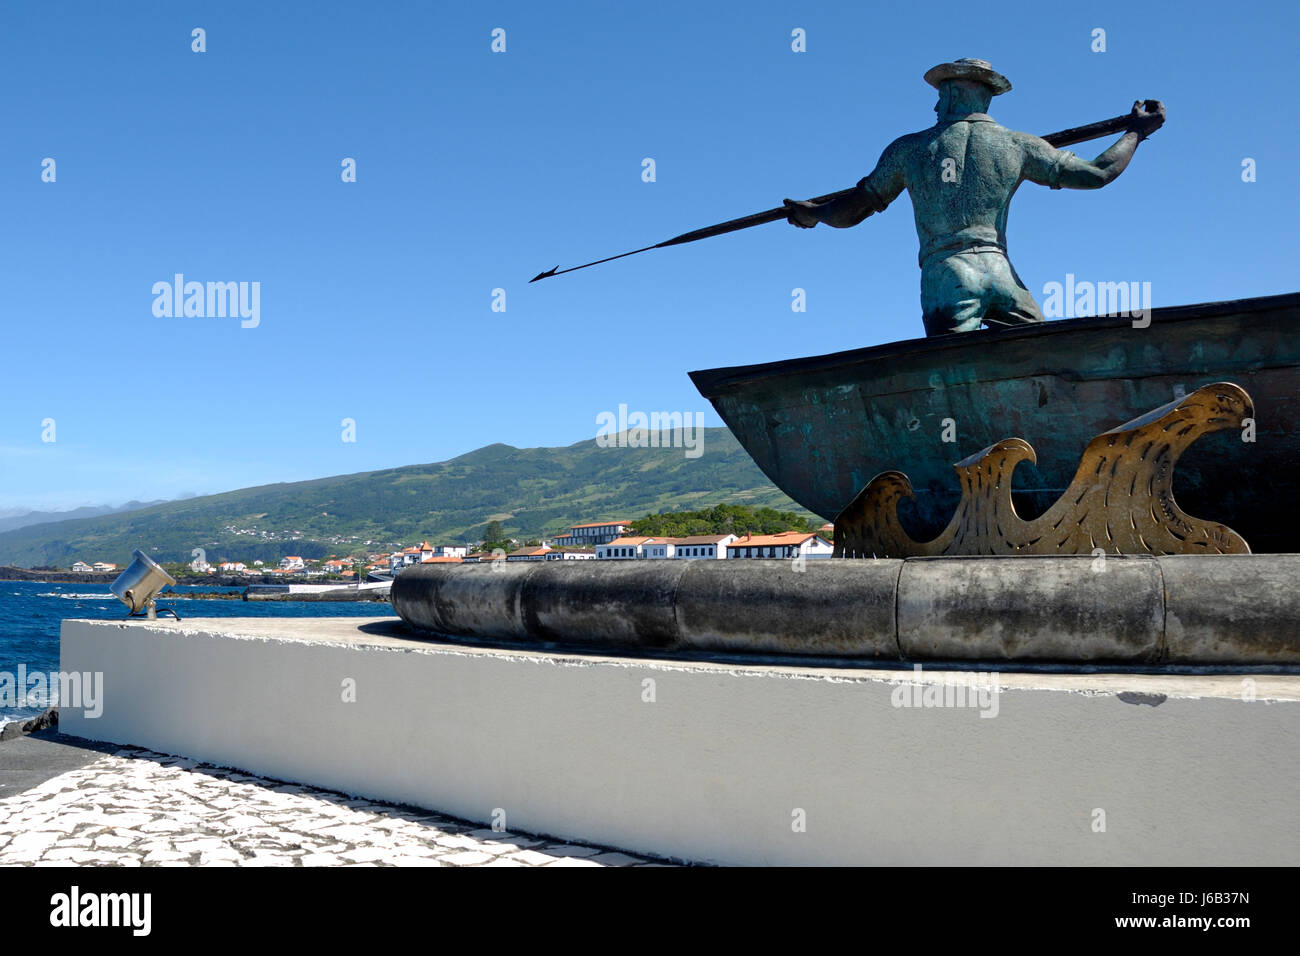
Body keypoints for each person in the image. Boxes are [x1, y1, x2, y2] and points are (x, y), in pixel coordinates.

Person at [784, 58, 1165, 336]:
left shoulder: (910, 149)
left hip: (947, 273)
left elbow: (854, 209)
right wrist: (1136, 132)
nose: (935, 105)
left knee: (953, 373)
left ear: (951, 95)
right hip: (1001, 275)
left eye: (939, 96)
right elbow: (1099, 173)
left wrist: (815, 214)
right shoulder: (1019, 145)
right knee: (1038, 355)